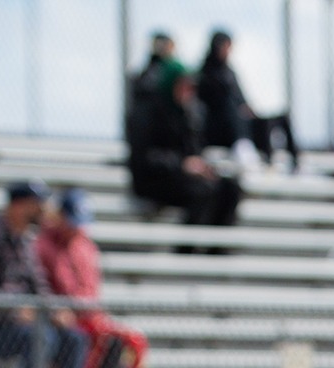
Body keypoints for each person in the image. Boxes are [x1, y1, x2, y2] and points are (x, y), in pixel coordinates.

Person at [0, 179, 88, 368]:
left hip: (18, 326)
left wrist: (55, 312)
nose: (44, 210)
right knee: (40, 338)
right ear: (18, 206)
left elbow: (40, 288)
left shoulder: (26, 240)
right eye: (38, 204)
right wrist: (15, 310)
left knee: (74, 338)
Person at [36, 188, 150, 368]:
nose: (76, 228)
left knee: (131, 341)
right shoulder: (42, 245)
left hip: (90, 316)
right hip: (65, 319)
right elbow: (40, 287)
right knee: (85, 343)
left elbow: (91, 289)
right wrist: (59, 310)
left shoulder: (85, 246)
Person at [127, 59, 242, 229]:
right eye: (184, 85)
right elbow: (144, 157)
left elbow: (195, 150)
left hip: (182, 177)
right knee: (202, 192)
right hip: (154, 180)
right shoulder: (146, 112)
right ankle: (187, 251)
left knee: (230, 189)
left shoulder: (189, 114)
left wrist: (202, 167)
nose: (189, 91)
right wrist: (182, 164)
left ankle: (216, 251)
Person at [198, 29, 297, 172]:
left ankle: (292, 161)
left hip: (242, 120)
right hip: (224, 127)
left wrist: (248, 109)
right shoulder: (206, 73)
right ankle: (252, 153)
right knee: (235, 114)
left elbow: (241, 99)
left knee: (279, 119)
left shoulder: (230, 71)